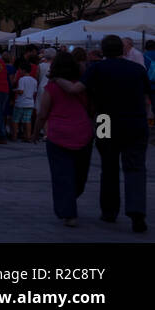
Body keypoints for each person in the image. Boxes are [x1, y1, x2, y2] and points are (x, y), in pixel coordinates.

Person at [57, 34, 151, 232]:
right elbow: (147, 95)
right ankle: (137, 213)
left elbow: (76, 90)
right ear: (123, 50)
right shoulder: (138, 69)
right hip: (135, 120)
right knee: (135, 168)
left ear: (103, 51)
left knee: (108, 166)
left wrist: (57, 78)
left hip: (104, 120)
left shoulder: (97, 68)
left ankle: (109, 211)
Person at [35, 51, 93, 227]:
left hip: (58, 136)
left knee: (62, 175)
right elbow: (93, 109)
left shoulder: (51, 88)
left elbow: (43, 113)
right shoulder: (84, 87)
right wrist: (104, 132)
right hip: (84, 134)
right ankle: (71, 199)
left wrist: (34, 133)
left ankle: (69, 212)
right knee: (79, 175)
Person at [12, 59, 38, 143]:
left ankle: (14, 136)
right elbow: (34, 91)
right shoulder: (34, 80)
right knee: (27, 120)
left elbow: (21, 91)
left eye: (20, 70)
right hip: (30, 103)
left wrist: (15, 90)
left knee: (16, 119)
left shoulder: (22, 79)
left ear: (23, 70)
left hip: (21, 102)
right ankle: (28, 136)